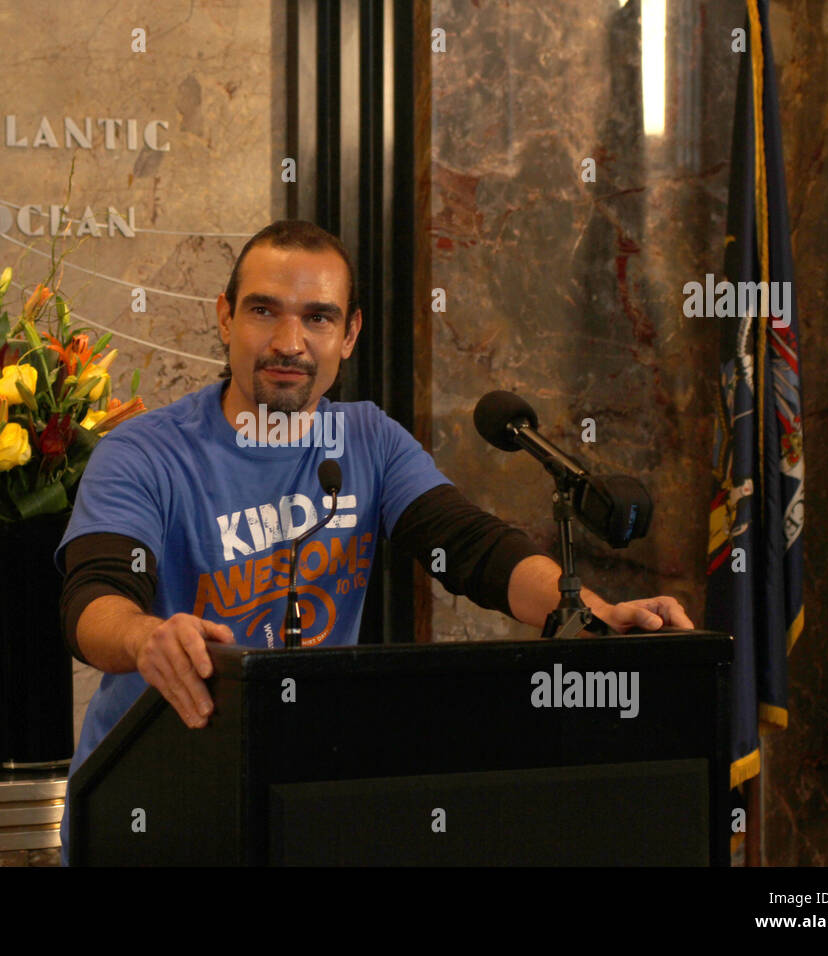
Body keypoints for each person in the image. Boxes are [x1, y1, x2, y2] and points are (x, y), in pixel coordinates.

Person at [50, 220, 693, 865]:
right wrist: (144, 638)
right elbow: (94, 598)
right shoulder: (143, 452)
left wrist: (590, 614)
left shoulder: (367, 441)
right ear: (224, 318)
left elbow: (472, 548)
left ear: (349, 334)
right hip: (153, 801)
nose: (288, 342)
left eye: (318, 318)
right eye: (264, 310)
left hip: (300, 800)